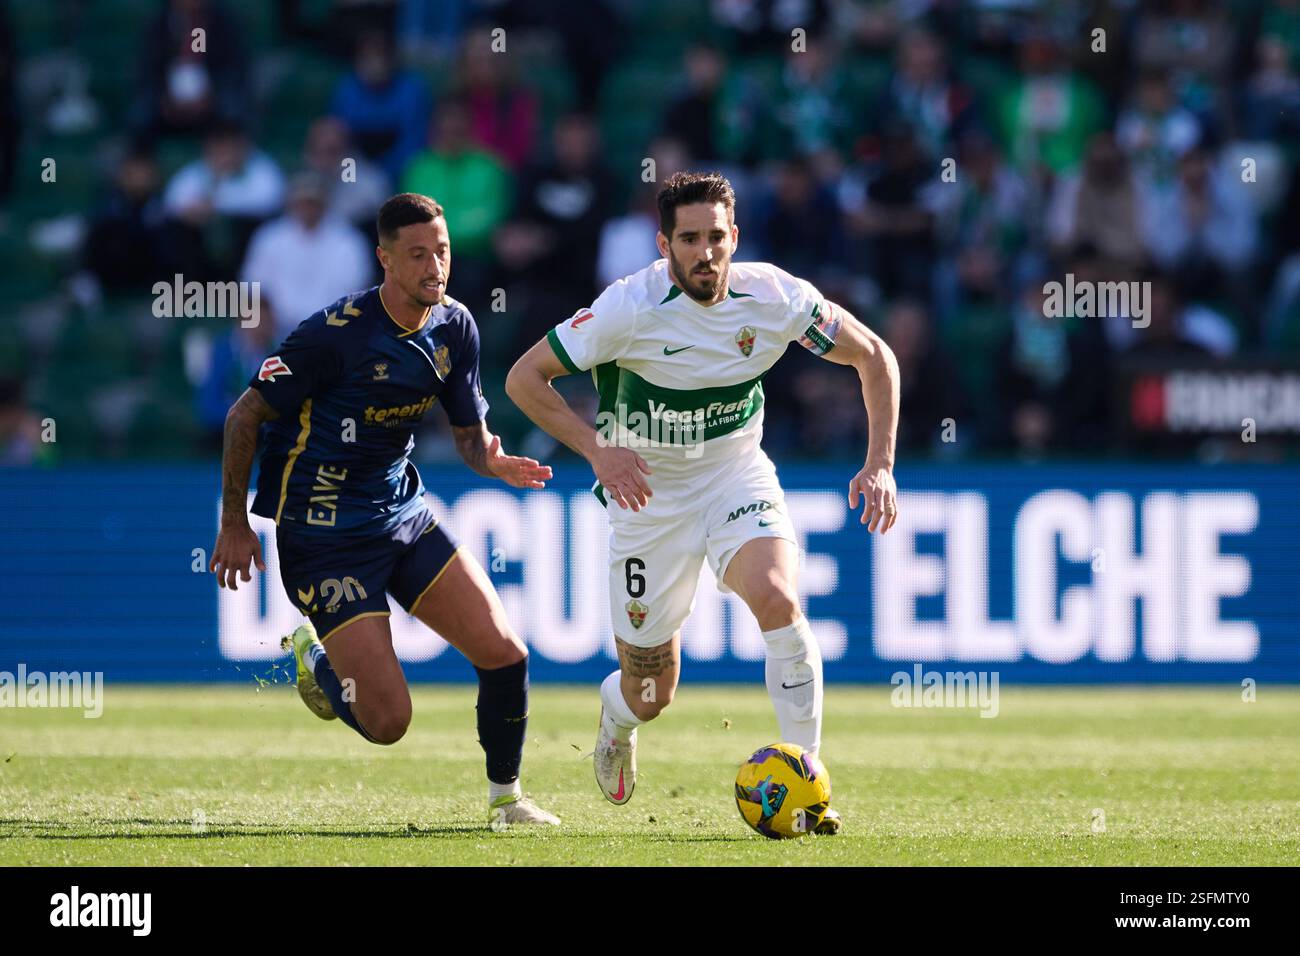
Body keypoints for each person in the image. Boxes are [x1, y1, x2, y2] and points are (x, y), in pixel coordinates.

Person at [505, 172, 901, 834]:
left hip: (734, 478)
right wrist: (596, 450)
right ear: (665, 245)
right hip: (647, 502)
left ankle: (809, 786)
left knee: (779, 598)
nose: (705, 252)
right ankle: (617, 718)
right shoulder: (627, 308)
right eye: (688, 239)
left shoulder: (776, 297)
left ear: (734, 238)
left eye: (716, 237)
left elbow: (875, 357)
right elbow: (524, 378)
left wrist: (881, 464)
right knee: (652, 692)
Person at [209, 193, 559, 828]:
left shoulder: (455, 327)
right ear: (385, 260)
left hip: (402, 513)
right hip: (323, 536)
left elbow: (470, 439)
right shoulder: (331, 335)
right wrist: (235, 523)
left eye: (444, 252)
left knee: (506, 653)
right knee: (389, 723)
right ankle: (315, 659)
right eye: (419, 255)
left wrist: (495, 462)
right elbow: (244, 415)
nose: (435, 267)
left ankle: (506, 802)